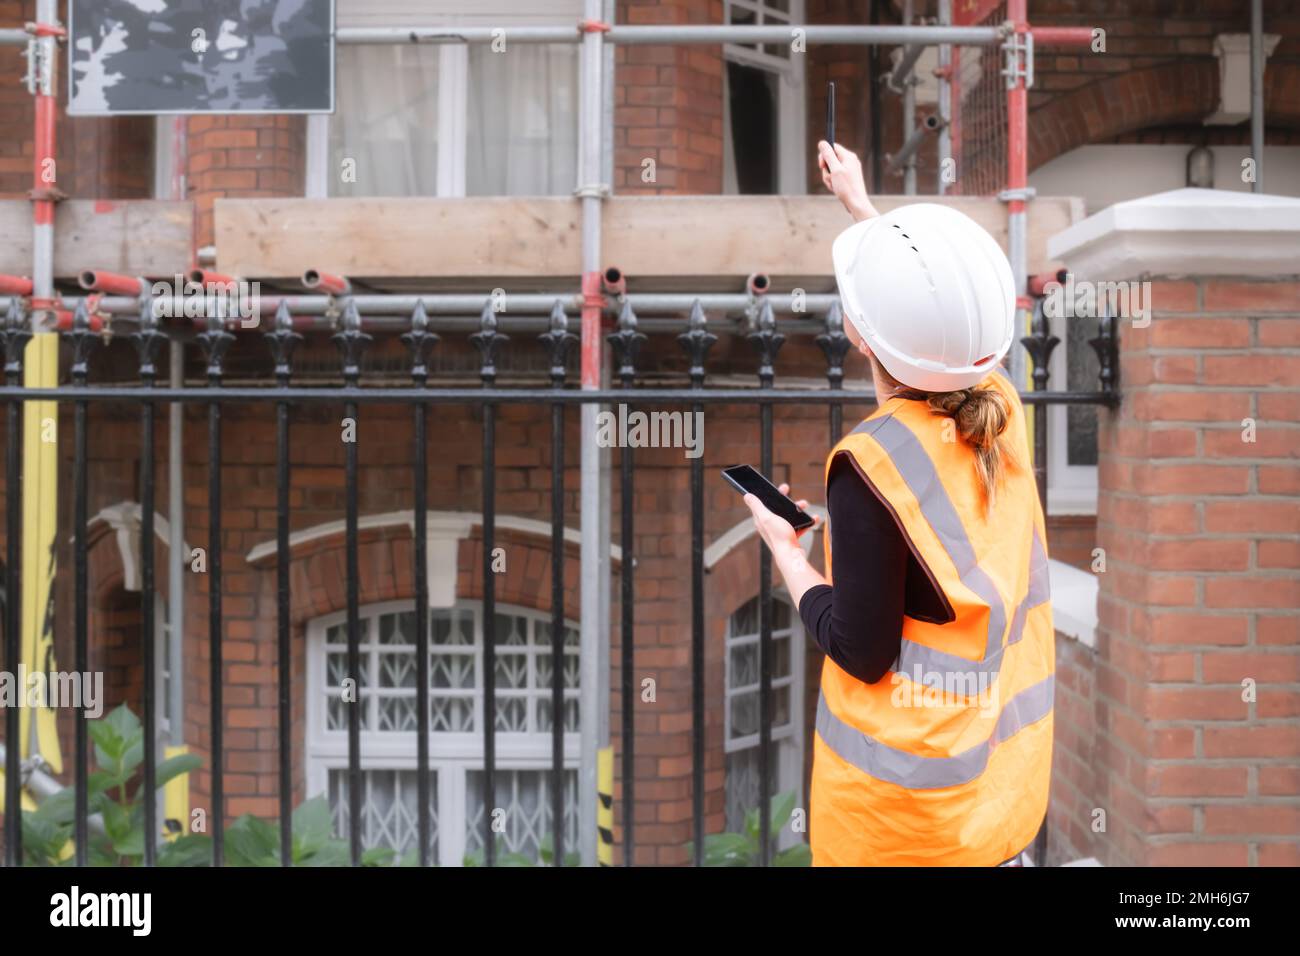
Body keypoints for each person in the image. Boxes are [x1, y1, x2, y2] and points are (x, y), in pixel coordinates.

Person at [742, 140, 1054, 867]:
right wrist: (863, 207)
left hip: (905, 832)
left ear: (857, 332)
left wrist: (789, 555)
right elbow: (943, 328)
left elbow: (862, 648)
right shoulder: (1000, 409)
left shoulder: (870, 466)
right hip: (997, 807)